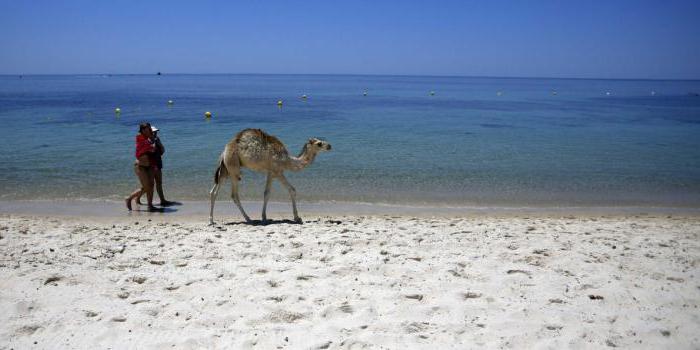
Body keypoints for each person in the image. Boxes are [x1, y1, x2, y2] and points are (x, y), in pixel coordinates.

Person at [136, 126, 177, 206]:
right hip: (150, 166)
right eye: (153, 132)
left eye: (156, 132)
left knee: (159, 183)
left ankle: (162, 200)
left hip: (158, 164)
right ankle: (136, 198)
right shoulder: (146, 141)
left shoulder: (157, 139)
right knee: (148, 186)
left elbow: (162, 151)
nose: (155, 133)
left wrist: (158, 143)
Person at [125, 122, 161, 212]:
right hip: (140, 166)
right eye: (144, 129)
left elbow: (156, 151)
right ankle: (129, 198)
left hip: (150, 165)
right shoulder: (139, 137)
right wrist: (152, 142)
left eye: (148, 129)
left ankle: (150, 205)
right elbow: (146, 147)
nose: (147, 131)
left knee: (151, 186)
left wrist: (155, 142)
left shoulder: (153, 138)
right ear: (141, 130)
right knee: (146, 187)